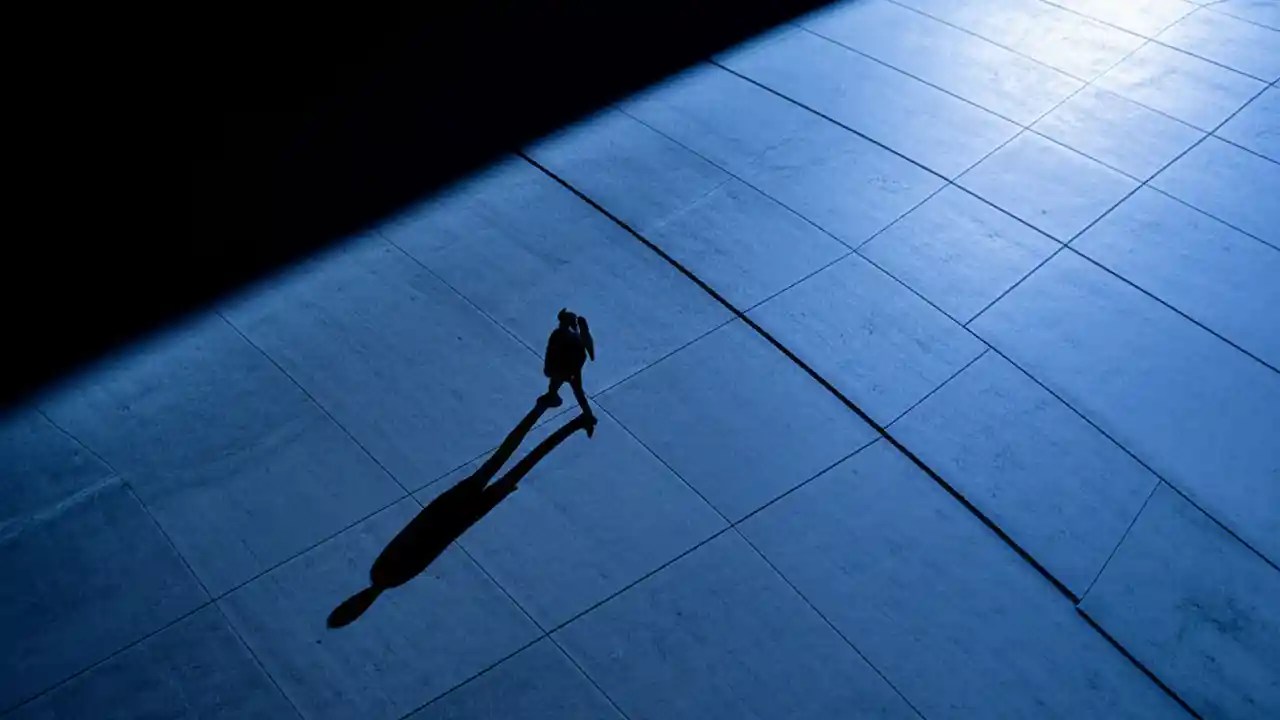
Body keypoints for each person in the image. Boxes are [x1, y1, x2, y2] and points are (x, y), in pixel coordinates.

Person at [542, 308, 597, 435]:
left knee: (560, 384)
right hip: (570, 369)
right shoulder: (575, 336)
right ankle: (587, 415)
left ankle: (552, 395)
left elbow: (550, 352)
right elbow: (582, 354)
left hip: (564, 368)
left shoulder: (561, 334)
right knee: (577, 391)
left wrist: (550, 367)